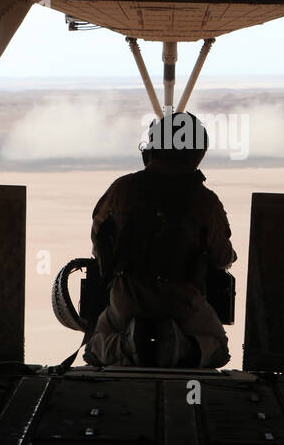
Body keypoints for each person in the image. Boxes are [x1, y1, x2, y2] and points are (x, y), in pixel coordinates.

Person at [84, 112, 236, 368]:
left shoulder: (122, 189)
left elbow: (99, 241)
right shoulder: (205, 201)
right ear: (197, 153)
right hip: (182, 303)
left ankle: (127, 346)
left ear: (153, 148)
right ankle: (180, 346)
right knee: (218, 348)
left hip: (126, 300)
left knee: (93, 349)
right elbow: (222, 257)